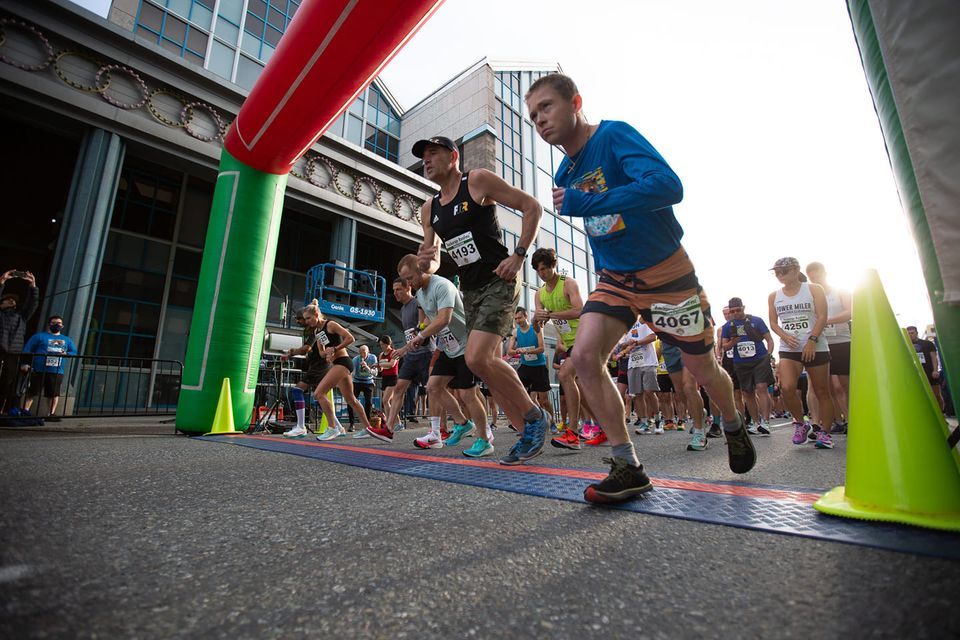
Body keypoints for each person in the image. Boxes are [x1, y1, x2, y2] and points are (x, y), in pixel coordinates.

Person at [526, 73, 755, 503]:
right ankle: (627, 464)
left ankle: (731, 421)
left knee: (703, 370)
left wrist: (591, 201)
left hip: (665, 275)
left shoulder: (614, 135)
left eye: (546, 107)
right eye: (533, 114)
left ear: (575, 102)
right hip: (614, 279)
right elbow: (603, 227)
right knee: (584, 355)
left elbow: (669, 187)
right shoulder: (565, 170)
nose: (539, 120)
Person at [412, 135, 552, 465]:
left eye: (434, 153)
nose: (427, 160)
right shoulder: (429, 209)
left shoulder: (476, 181)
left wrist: (519, 255)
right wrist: (425, 263)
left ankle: (535, 418)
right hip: (470, 291)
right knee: (486, 365)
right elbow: (433, 259)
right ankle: (525, 434)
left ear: (453, 157)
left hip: (500, 279)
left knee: (475, 358)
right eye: (424, 157)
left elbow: (533, 207)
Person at [368, 256, 493, 458]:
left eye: (409, 277)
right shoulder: (421, 293)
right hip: (447, 347)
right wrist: (422, 329)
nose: (408, 283)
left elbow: (444, 318)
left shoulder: (442, 286)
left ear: (422, 269)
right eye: (404, 279)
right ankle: (462, 423)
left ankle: (485, 440)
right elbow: (429, 318)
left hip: (466, 345)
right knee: (433, 387)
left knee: (467, 394)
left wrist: (420, 336)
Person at [767, 257, 836, 449]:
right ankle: (800, 423)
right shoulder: (774, 295)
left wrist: (812, 341)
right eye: (777, 272)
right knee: (788, 387)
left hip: (815, 345)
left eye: (784, 271)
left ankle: (825, 433)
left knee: (822, 391)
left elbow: (822, 316)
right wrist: (784, 336)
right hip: (790, 348)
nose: (780, 276)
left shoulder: (814, 289)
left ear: (796, 270)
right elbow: (773, 322)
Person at [530, 247, 587, 451]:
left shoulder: (568, 283)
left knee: (565, 376)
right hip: (567, 344)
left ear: (553, 266)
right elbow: (538, 325)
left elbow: (579, 310)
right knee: (582, 388)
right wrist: (538, 320)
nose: (542, 273)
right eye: (538, 270)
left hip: (584, 338)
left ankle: (573, 433)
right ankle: (598, 426)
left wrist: (551, 315)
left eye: (544, 268)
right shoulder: (540, 294)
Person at [381, 278, 433, 433]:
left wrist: (403, 349)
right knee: (398, 390)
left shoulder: (418, 302)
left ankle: (441, 428)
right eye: (394, 290)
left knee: (434, 391)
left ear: (408, 287)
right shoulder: (403, 310)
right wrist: (405, 349)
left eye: (398, 289)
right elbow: (410, 335)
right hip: (411, 355)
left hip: (426, 352)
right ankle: (389, 428)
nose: (395, 293)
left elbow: (425, 325)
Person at [720, 297, 775, 436]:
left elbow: (769, 339)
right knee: (747, 393)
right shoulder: (728, 326)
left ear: (743, 308)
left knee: (762, 387)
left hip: (760, 359)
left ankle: (766, 422)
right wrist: (734, 341)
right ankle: (756, 423)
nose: (735, 313)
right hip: (741, 362)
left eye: (738, 310)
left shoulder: (756, 320)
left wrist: (768, 355)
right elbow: (724, 347)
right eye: (732, 311)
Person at [22, 315, 77, 418]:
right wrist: (25, 363)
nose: (56, 325)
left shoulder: (66, 340)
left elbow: (73, 351)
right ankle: (25, 412)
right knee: (32, 392)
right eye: (54, 323)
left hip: (56, 370)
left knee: (53, 393)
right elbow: (27, 349)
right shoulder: (39, 336)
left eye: (59, 323)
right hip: (38, 369)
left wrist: (66, 354)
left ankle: (51, 414)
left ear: (62, 326)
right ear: (49, 324)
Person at [506, 307, 554, 424]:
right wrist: (518, 351)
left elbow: (542, 348)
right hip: (525, 367)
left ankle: (552, 423)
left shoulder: (536, 329)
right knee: (522, 397)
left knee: (544, 401)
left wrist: (527, 351)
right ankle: (528, 423)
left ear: (526, 316)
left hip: (539, 367)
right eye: (516, 319)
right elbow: (510, 351)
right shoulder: (516, 332)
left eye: (520, 318)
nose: (518, 321)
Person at [0, 270, 39, 414]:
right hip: (0, 351)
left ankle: (4, 411)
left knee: (7, 383)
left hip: (13, 354)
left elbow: (32, 305)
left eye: (13, 300)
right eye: (7, 299)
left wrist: (33, 286)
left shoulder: (21, 317)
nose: (12, 301)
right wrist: (2, 282)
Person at [907, 325, 944, 412]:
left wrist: (935, 370)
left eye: (912, 333)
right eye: (908, 333)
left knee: (936, 395)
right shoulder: (906, 345)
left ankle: (942, 415)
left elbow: (934, 358)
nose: (910, 335)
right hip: (915, 374)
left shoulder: (928, 344)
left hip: (929, 372)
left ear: (916, 333)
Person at [348, 344, 377, 430]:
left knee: (368, 402)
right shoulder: (355, 359)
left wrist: (367, 367)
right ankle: (351, 423)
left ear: (368, 352)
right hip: (357, 381)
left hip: (368, 381)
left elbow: (375, 373)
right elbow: (352, 373)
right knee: (351, 401)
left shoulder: (373, 358)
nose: (362, 354)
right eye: (360, 352)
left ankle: (367, 424)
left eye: (364, 352)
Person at [376, 334, 400, 424]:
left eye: (383, 344)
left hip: (393, 378)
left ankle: (390, 422)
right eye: (380, 345)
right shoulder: (381, 354)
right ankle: (398, 423)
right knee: (389, 403)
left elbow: (391, 364)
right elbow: (381, 369)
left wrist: (379, 364)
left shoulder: (394, 352)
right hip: (385, 378)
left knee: (385, 400)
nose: (381, 346)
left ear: (388, 344)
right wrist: (377, 367)